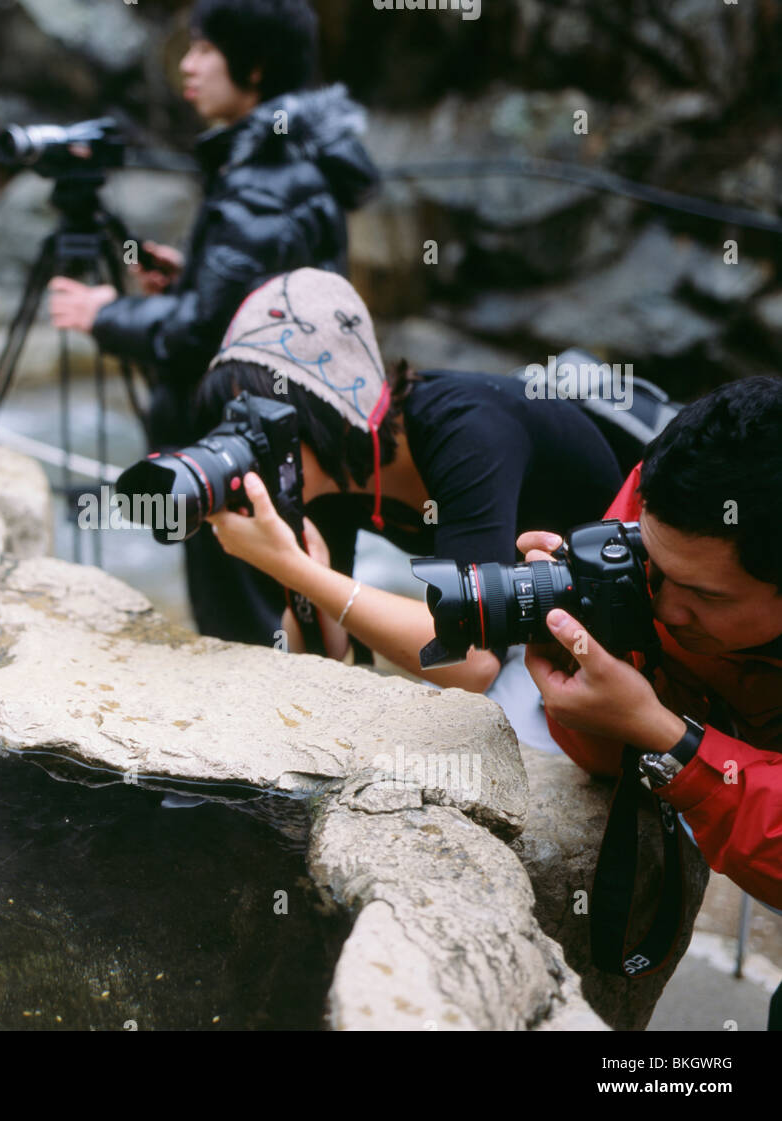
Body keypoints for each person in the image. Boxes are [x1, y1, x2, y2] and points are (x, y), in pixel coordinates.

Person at [203, 268, 626, 692]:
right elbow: (326, 653)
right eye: (238, 422)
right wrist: (302, 575)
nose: (252, 442)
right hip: (529, 618)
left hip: (615, 619)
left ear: (328, 409)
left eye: (265, 423)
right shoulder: (329, 468)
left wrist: (293, 568)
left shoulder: (468, 434)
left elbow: (472, 660)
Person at [47, 0, 380, 450]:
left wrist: (104, 314)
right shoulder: (290, 160)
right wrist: (192, 280)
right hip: (274, 436)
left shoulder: (266, 180)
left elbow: (205, 333)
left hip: (235, 448)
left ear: (255, 65)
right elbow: (256, 299)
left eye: (204, 50)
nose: (187, 66)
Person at [517, 376, 782, 915]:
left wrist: (665, 736)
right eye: (657, 572)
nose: (665, 609)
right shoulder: (669, 498)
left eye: (704, 595)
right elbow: (609, 761)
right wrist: (579, 646)